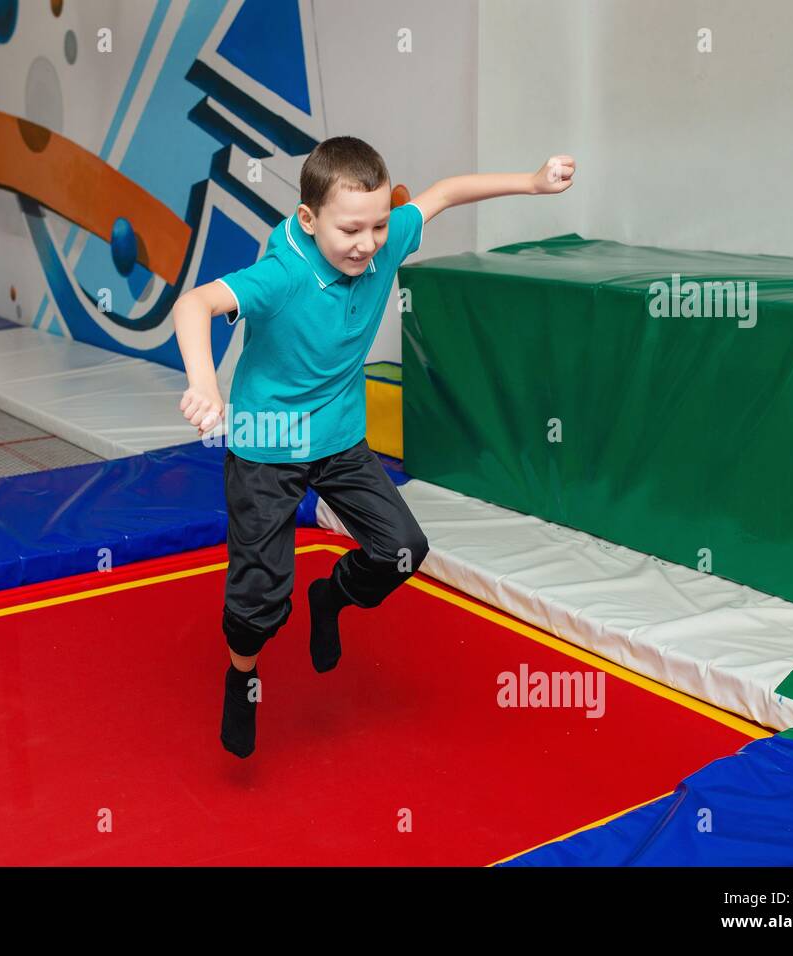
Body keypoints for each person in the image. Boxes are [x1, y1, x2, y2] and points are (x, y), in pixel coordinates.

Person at [172, 135, 575, 758]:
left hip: (337, 437)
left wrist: (532, 181)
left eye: (379, 225)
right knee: (260, 600)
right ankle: (243, 675)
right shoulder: (282, 273)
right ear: (308, 221)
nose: (367, 244)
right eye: (351, 230)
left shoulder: (383, 242)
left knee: (404, 551)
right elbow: (195, 304)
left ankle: (330, 594)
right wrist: (204, 384)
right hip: (267, 440)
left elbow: (442, 194)